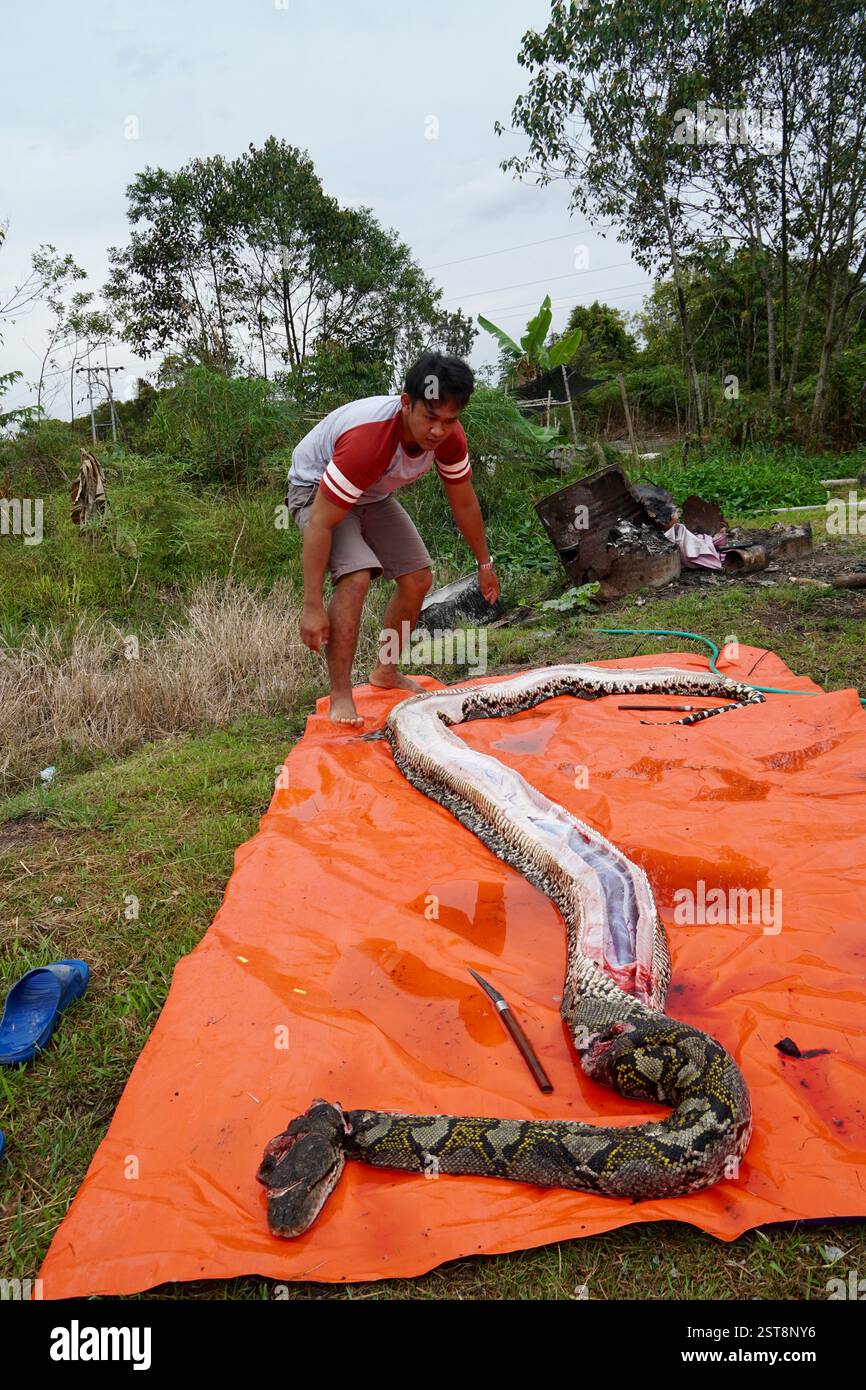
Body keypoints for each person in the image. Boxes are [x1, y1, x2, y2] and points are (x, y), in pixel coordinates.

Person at [286, 351, 500, 725]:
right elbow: (320, 523)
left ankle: (385, 671)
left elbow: (464, 502)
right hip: (316, 488)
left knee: (418, 578)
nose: (438, 431)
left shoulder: (449, 438)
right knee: (356, 576)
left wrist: (484, 563)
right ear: (406, 404)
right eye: (429, 418)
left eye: (449, 421)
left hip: (371, 493)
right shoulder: (369, 440)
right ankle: (340, 696)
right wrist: (312, 605)